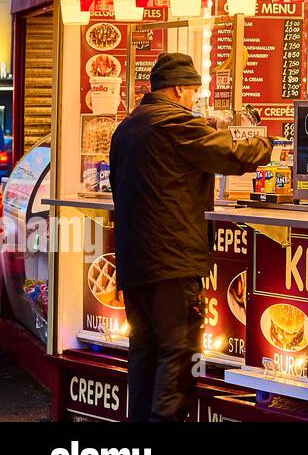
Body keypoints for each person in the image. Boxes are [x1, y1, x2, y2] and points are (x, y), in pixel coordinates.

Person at [109, 53, 271, 421]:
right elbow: (230, 153)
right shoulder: (175, 122)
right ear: (180, 88)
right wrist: (268, 145)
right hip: (172, 260)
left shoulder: (128, 127)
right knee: (178, 351)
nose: (195, 100)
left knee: (144, 350)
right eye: (194, 92)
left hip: (135, 261)